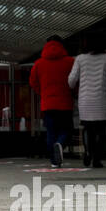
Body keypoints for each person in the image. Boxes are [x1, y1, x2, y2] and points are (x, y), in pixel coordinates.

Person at [68, 35, 106, 169]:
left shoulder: (80, 59)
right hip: (102, 100)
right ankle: (97, 159)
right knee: (101, 131)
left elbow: (71, 81)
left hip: (85, 100)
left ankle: (88, 152)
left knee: (88, 128)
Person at [29, 35, 74, 167]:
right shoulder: (70, 61)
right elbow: (75, 81)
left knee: (51, 131)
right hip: (65, 103)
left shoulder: (39, 63)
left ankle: (54, 161)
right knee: (66, 129)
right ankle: (60, 144)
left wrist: (42, 92)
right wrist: (73, 93)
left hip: (47, 104)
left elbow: (32, 82)